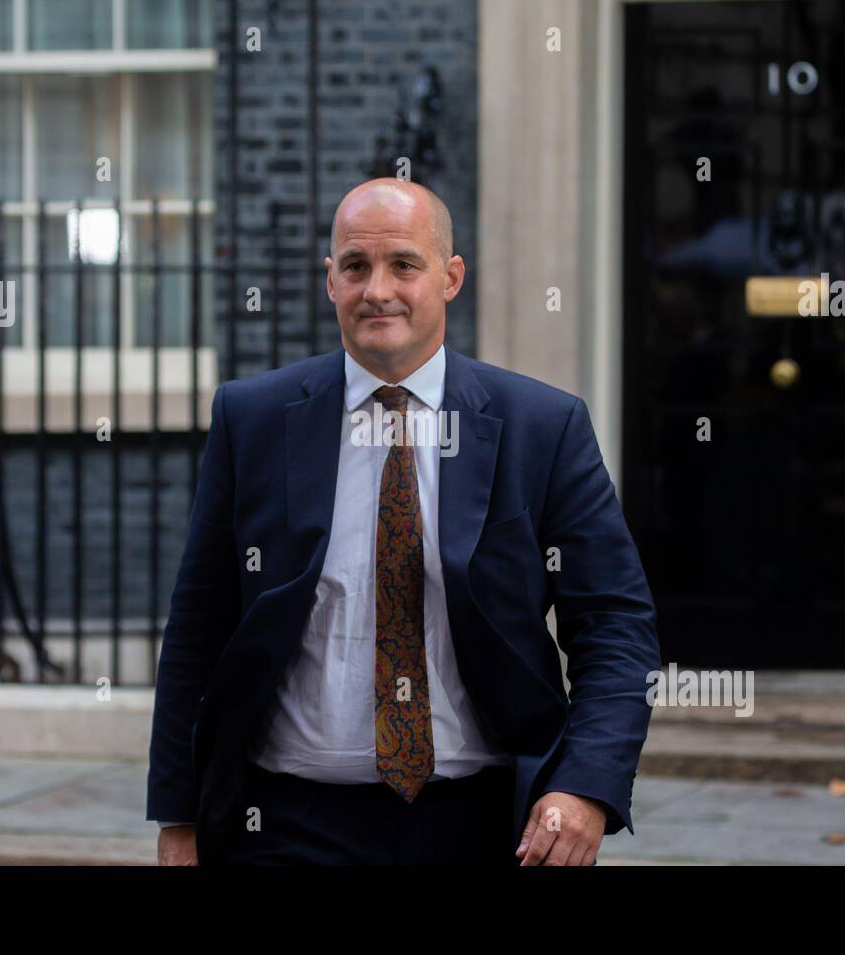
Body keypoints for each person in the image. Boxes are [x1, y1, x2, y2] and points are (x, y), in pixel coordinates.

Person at [147, 177, 660, 865]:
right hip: (286, 825)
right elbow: (197, 628)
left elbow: (616, 624)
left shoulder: (542, 427)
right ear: (330, 281)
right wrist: (179, 818)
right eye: (355, 266)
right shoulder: (255, 420)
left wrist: (585, 787)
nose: (377, 290)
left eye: (404, 265)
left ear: (451, 277)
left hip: (483, 826)